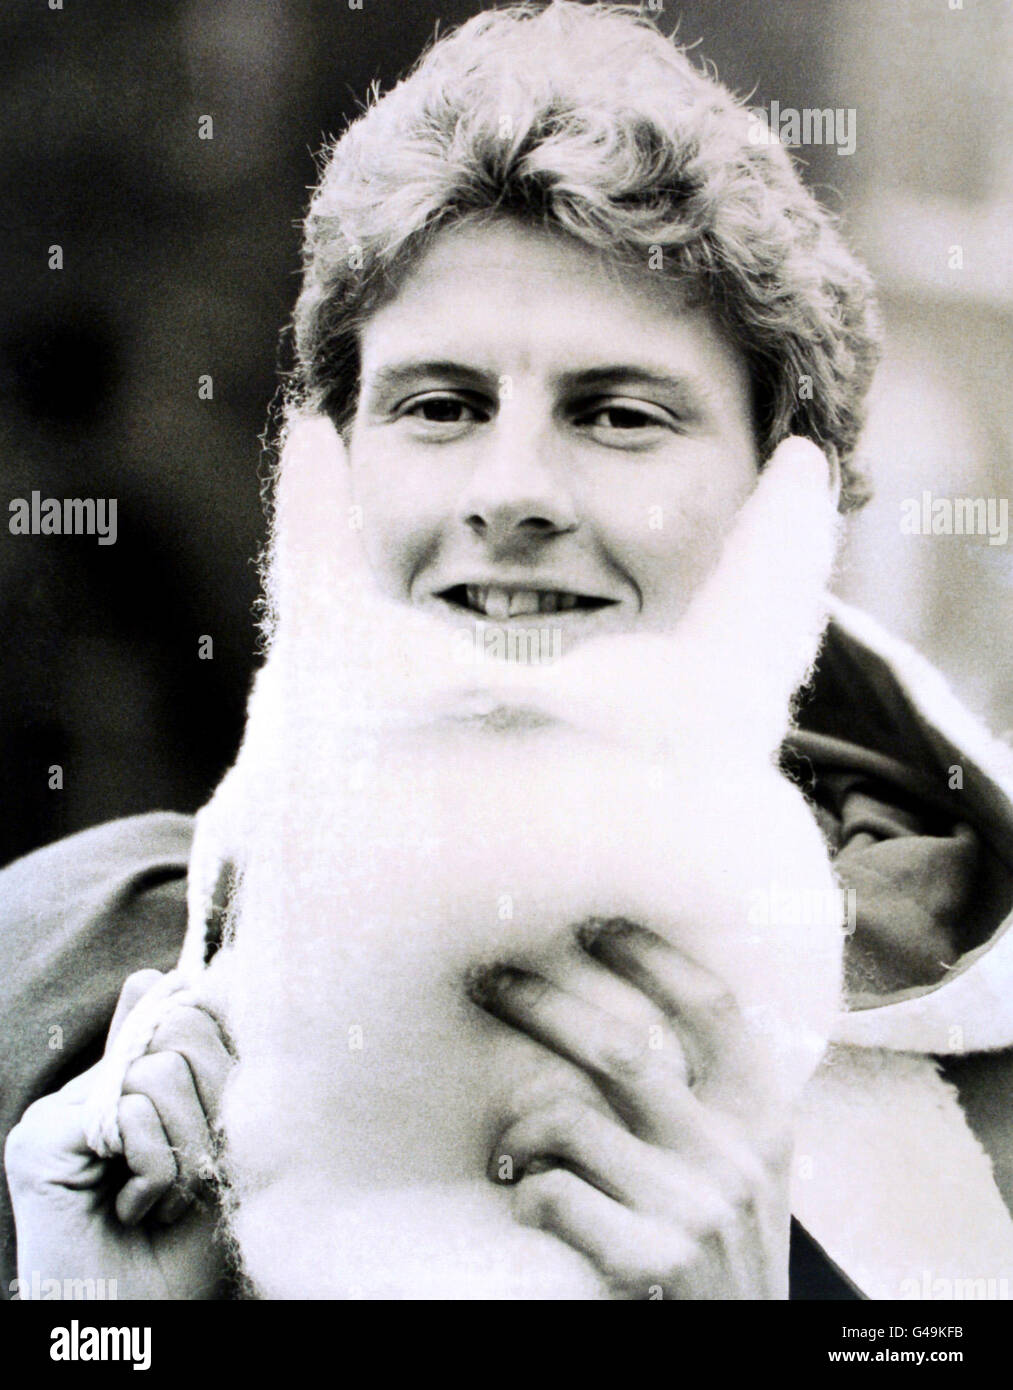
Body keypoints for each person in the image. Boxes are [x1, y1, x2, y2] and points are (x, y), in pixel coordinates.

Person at [4, 1, 1013, 1302]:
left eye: (616, 412)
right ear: (333, 469)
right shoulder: (49, 989)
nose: (511, 488)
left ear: (782, 495)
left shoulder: (983, 1100)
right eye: (439, 404)